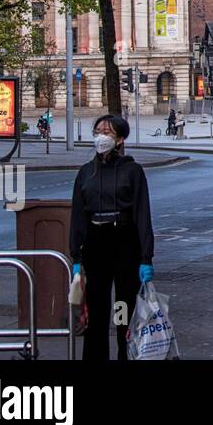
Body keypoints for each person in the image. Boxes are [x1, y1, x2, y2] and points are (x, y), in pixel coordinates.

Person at [69, 114, 155, 361]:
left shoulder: (132, 170)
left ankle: (125, 354)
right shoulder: (86, 173)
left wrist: (146, 256)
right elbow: (78, 215)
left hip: (125, 240)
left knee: (123, 307)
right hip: (96, 242)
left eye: (107, 132)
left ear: (120, 138)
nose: (101, 136)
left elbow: (142, 213)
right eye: (98, 131)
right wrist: (76, 255)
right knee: (96, 306)